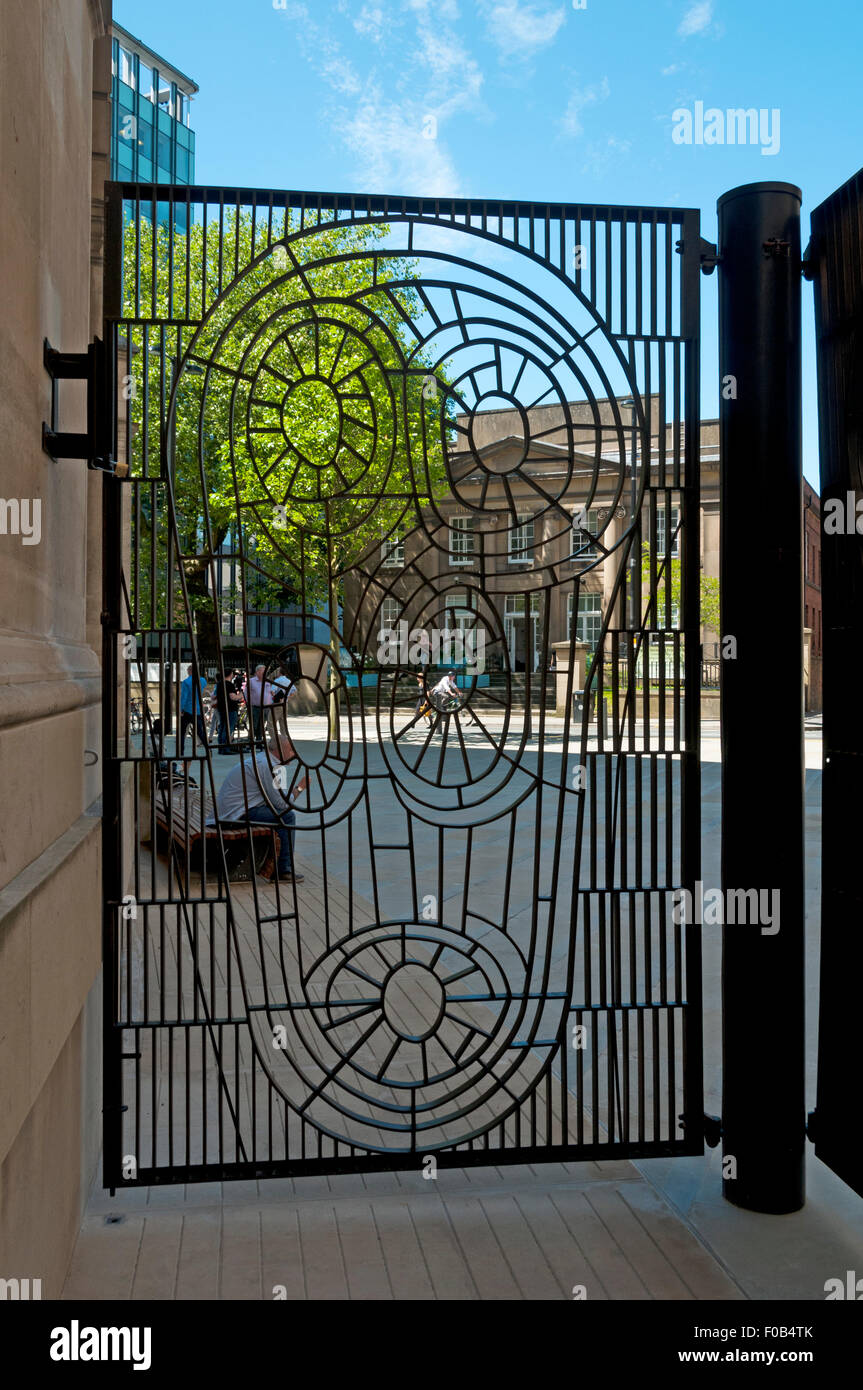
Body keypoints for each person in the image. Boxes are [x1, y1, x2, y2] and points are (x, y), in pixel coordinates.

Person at [211, 734, 309, 883]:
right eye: (291, 751)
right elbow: (282, 804)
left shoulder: (263, 758)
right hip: (236, 814)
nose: (294, 755)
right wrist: (300, 787)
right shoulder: (273, 766)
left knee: (279, 815)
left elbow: (276, 799)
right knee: (287, 817)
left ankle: (275, 864)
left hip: (229, 811)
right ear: (280, 751)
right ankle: (283, 870)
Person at [212, 667, 244, 753]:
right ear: (231, 674)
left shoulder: (219, 684)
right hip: (230, 708)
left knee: (222, 727)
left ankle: (221, 747)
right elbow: (233, 697)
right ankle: (226, 748)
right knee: (228, 728)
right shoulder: (229, 684)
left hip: (221, 708)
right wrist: (241, 694)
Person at [243, 663, 275, 745]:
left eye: (265, 672)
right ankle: (251, 742)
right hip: (255, 707)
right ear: (257, 672)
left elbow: (270, 693)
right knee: (254, 725)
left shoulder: (267, 681)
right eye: (263, 671)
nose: (265, 673)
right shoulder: (251, 681)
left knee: (262, 726)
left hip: (266, 707)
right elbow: (246, 693)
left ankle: (259, 742)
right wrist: (248, 704)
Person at [179, 667, 208, 754]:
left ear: (190, 671)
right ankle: (208, 749)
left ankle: (181, 751)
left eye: (188, 670)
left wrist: (181, 709)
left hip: (187, 710)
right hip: (198, 710)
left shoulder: (186, 682)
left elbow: (184, 697)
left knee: (182, 732)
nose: (187, 672)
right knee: (200, 731)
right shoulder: (202, 680)